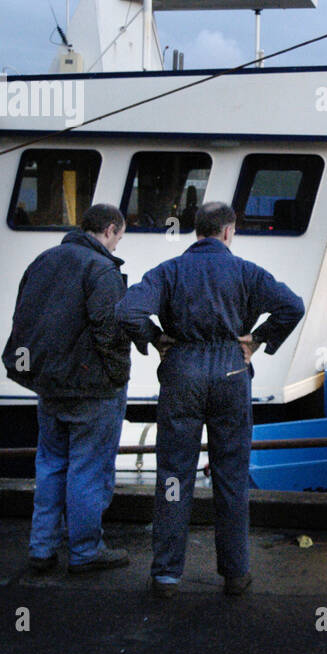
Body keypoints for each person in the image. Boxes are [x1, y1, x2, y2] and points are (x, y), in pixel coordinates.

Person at [115, 201, 305, 598]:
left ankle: (166, 576)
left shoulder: (168, 271)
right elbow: (293, 306)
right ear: (228, 231)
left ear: (196, 231)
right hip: (231, 372)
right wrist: (259, 339)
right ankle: (235, 573)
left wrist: (155, 339)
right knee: (231, 476)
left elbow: (128, 311)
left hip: (182, 370)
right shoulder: (246, 271)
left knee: (173, 475)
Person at [3, 203, 132, 574]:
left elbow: (23, 318)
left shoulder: (43, 261)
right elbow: (110, 330)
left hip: (48, 385)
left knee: (50, 465)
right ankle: (85, 551)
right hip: (92, 389)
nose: (117, 245)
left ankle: (41, 548)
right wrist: (119, 375)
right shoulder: (101, 269)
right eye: (119, 237)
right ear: (109, 229)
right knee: (88, 470)